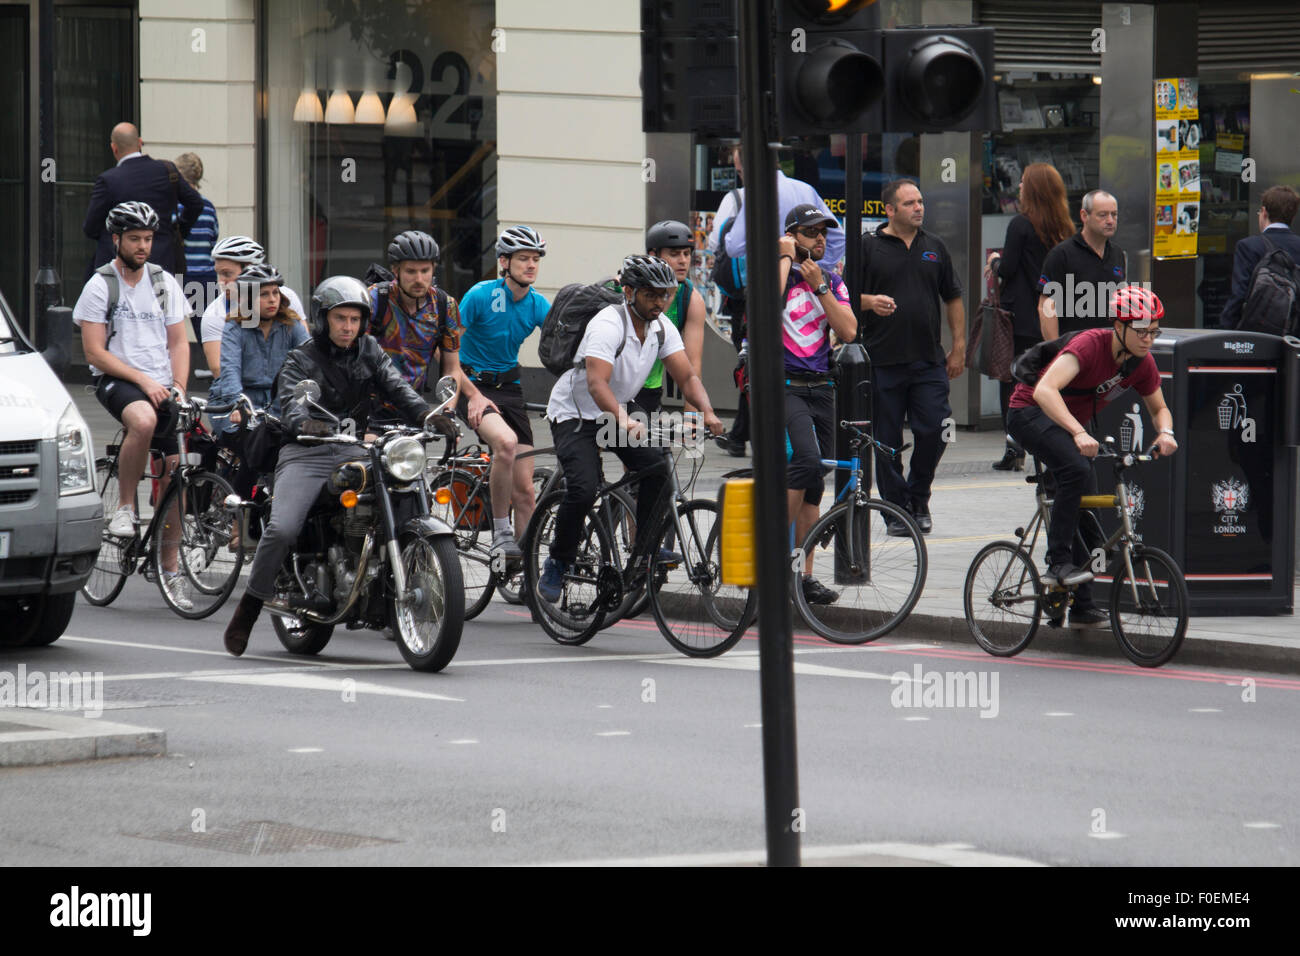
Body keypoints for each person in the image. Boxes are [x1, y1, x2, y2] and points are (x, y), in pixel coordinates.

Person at [222, 276, 450, 657]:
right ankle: (250, 606)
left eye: (355, 320)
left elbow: (397, 387)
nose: (348, 327)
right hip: (307, 451)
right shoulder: (302, 358)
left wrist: (428, 414)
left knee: (401, 488)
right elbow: (292, 401)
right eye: (340, 319)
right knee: (283, 527)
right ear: (323, 319)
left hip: (355, 449)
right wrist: (302, 420)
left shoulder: (370, 351)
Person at [538, 255, 725, 603]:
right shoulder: (608, 324)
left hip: (616, 412)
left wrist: (709, 412)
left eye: (665, 295)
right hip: (576, 414)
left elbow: (685, 376)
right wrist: (623, 420)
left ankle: (645, 550)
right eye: (651, 295)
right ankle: (558, 562)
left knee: (656, 467)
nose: (660, 302)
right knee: (583, 488)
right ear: (629, 292)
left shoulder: (661, 326)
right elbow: (596, 383)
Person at [1007, 286, 1177, 627]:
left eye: (1154, 331)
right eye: (1141, 331)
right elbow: (1044, 391)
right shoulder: (1089, 344)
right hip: (1029, 411)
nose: (1148, 339)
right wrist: (1079, 432)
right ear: (1119, 326)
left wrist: (1166, 433)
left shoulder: (1141, 363)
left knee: (1088, 512)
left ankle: (1082, 606)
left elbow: (1159, 408)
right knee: (1073, 467)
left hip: (1068, 426)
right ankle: (1058, 562)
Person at [72, 201, 192, 609]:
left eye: (149, 239)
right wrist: (141, 380)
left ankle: (169, 568)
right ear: (117, 239)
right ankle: (126, 508)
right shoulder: (100, 285)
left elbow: (178, 341)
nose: (144, 246)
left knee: (179, 472)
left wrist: (177, 385)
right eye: (136, 239)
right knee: (141, 420)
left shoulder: (163, 283)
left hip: (161, 385)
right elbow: (94, 352)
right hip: (117, 381)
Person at [709, 143, 845, 457]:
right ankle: (767, 445)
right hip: (806, 289)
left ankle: (768, 448)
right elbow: (837, 238)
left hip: (764, 288)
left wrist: (780, 257)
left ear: (742, 165)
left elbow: (731, 245)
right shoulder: (805, 189)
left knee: (760, 364)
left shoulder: (751, 192)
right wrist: (816, 270)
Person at [858, 179, 965, 535]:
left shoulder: (934, 246)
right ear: (890, 210)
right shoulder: (868, 247)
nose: (919, 208)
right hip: (882, 362)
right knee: (886, 441)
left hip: (927, 361)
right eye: (909, 203)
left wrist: (959, 346)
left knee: (937, 429)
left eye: (920, 201)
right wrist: (869, 301)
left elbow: (952, 298)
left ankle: (918, 497)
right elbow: (843, 297)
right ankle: (895, 510)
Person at [456, 226, 552, 558]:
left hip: (509, 388)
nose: (531, 265)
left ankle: (526, 571)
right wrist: (468, 393)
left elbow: (565, 346)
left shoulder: (538, 304)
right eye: (523, 258)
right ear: (504, 262)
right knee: (506, 444)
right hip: (471, 385)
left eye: (535, 259)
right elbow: (447, 351)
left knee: (525, 491)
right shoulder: (480, 295)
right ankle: (501, 533)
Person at [779, 204, 857, 606]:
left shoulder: (830, 281)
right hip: (783, 386)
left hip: (821, 388)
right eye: (810, 232)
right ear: (792, 235)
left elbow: (848, 330)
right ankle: (776, 562)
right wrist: (784, 257)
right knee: (806, 460)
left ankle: (803, 574)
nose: (821, 239)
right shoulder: (779, 273)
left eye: (824, 232)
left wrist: (821, 287)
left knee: (815, 481)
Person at [984, 163, 1075, 471]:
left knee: (1012, 379)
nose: (1019, 187)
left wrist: (994, 261)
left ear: (1032, 190)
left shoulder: (1021, 225)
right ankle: (1049, 442)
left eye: (1023, 183)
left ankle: (1014, 446)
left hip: (1020, 317)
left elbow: (1008, 269)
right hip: (1054, 316)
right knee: (1048, 378)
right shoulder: (1066, 228)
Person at [207, 263, 308, 525]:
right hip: (236, 403)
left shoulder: (291, 325)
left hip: (278, 402)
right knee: (256, 445)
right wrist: (239, 405)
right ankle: (239, 523)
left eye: (275, 292)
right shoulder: (234, 327)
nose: (273, 299)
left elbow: (311, 365)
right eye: (264, 294)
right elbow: (229, 372)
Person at [365, 230, 473, 418]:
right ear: (396, 270)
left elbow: (452, 367)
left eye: (425, 271)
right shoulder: (374, 299)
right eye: (411, 271)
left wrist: (448, 410)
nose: (419, 279)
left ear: (433, 269)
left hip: (415, 408)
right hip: (369, 405)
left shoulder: (444, 305)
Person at [82, 122, 203, 277]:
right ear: (140, 143)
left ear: (114, 148)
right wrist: (176, 231)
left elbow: (91, 227)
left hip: (120, 268)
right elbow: (196, 203)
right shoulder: (167, 171)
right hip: (162, 261)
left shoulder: (108, 180)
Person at [199, 236, 307, 377]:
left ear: (251, 269)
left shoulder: (287, 297)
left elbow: (305, 352)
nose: (221, 281)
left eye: (227, 274)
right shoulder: (214, 315)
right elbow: (220, 371)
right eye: (218, 274)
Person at [635, 220, 707, 417]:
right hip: (613, 385)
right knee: (601, 440)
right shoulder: (630, 289)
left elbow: (693, 367)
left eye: (686, 253)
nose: (683, 261)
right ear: (653, 255)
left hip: (650, 389)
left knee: (651, 447)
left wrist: (692, 423)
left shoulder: (691, 299)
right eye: (674, 254)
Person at [1037, 189, 1126, 340]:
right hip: (1074, 348)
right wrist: (1055, 350)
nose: (1110, 220)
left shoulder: (1117, 254)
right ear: (1084, 216)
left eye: (1114, 214)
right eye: (1102, 215)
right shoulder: (1062, 255)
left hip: (1109, 347)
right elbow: (1046, 306)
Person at [1219, 185, 1300, 330]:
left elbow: (1239, 294)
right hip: (1294, 335)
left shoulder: (1248, 246)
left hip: (1259, 334)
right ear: (1293, 216)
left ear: (1263, 212)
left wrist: (1228, 329)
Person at [173, 152, 219, 325]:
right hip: (205, 276)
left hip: (179, 276)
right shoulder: (208, 207)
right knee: (207, 331)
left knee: (168, 331)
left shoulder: (174, 206)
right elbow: (213, 239)